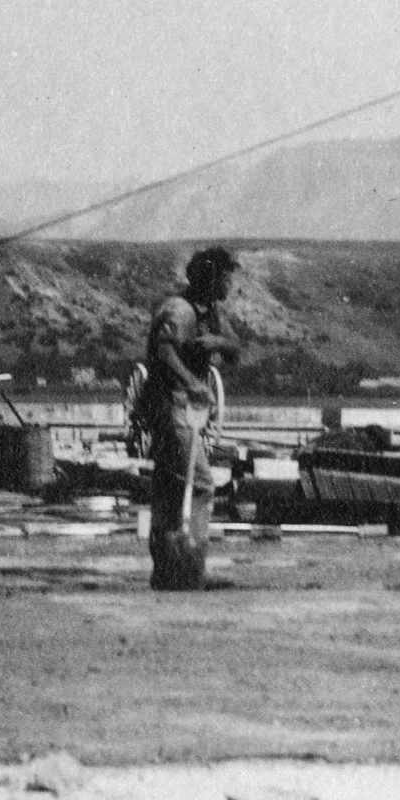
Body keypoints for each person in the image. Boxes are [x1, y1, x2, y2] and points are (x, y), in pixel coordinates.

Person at [138, 247, 240, 590]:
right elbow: (163, 352)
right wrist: (193, 382)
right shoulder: (179, 311)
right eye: (225, 276)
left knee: (170, 488)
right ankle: (189, 565)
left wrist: (217, 339)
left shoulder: (210, 311)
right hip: (171, 406)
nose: (229, 283)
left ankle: (169, 571)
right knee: (199, 484)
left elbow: (235, 348)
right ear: (210, 278)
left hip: (182, 407)